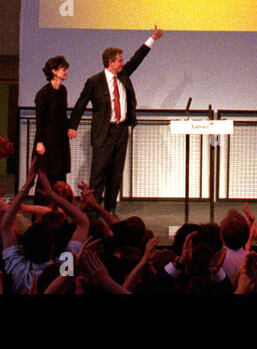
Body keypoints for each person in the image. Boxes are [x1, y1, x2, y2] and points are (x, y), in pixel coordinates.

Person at [68, 26, 164, 215]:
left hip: (121, 131)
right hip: (104, 132)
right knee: (98, 174)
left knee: (116, 173)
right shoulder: (94, 81)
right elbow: (80, 104)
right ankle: (93, 211)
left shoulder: (123, 75)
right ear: (110, 62)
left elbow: (137, 59)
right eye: (119, 60)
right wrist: (72, 126)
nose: (122, 63)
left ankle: (110, 209)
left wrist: (152, 38)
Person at [33, 55, 72, 203]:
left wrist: (70, 128)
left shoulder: (63, 90)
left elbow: (62, 115)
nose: (66, 72)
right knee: (46, 178)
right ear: (54, 71)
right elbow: (40, 121)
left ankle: (59, 211)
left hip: (60, 139)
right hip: (47, 140)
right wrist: (40, 142)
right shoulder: (43, 93)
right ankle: (39, 214)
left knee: (60, 176)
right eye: (63, 69)